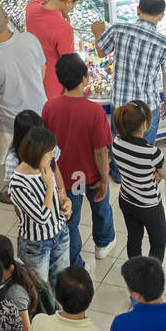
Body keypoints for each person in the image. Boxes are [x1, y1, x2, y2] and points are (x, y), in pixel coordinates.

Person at [41, 52, 114, 265]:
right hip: (90, 175)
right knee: (101, 208)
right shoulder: (94, 111)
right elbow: (100, 151)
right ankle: (103, 243)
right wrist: (104, 178)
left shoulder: (49, 107)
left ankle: (75, 262)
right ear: (85, 78)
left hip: (64, 177)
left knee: (70, 221)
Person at [91, 0, 166, 149]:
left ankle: (118, 173)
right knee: (146, 148)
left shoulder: (118, 29)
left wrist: (97, 32)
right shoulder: (164, 43)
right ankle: (144, 172)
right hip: (148, 107)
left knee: (119, 146)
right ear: (161, 16)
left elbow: (101, 52)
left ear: (138, 10)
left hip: (121, 107)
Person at [0, 3, 46, 157]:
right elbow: (42, 68)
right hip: (40, 115)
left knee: (10, 172)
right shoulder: (29, 39)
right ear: (6, 19)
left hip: (10, 125)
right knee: (42, 163)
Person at [8, 121, 72, 288]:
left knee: (62, 285)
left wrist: (66, 203)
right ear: (37, 153)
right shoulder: (18, 183)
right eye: (50, 153)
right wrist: (50, 185)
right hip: (35, 244)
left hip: (60, 232)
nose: (53, 156)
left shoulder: (46, 166)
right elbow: (41, 217)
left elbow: (59, 196)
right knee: (38, 291)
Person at [111, 101, 166, 261]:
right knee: (158, 244)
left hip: (126, 199)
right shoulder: (152, 152)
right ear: (144, 124)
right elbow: (163, 173)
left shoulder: (116, 143)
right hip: (149, 205)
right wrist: (156, 174)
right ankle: (151, 281)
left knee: (134, 238)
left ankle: (134, 274)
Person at [25, 0, 81, 100]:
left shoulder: (31, 8)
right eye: (74, 5)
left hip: (31, 75)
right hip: (52, 85)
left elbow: (41, 0)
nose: (73, 9)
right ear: (68, 2)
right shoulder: (64, 28)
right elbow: (68, 64)